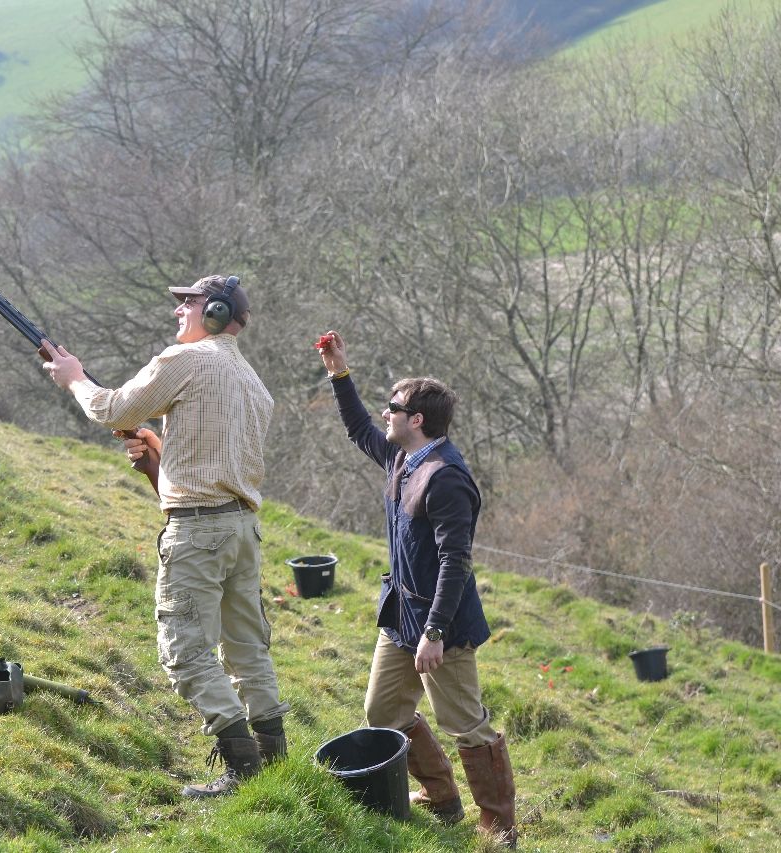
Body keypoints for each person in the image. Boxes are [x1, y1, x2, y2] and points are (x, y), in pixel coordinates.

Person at [41, 274, 289, 799]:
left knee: (184, 649)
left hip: (198, 532)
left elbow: (112, 410)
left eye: (189, 304)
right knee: (247, 647)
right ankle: (275, 760)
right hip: (242, 528)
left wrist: (74, 378)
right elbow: (213, 449)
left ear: (216, 312)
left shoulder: (184, 362)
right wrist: (163, 448)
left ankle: (243, 770)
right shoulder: (252, 382)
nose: (179, 311)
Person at [316, 331, 516, 847]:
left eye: (394, 407)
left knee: (466, 724)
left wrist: (435, 632)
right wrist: (340, 373)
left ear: (417, 419)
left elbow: (457, 562)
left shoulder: (446, 477)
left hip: (440, 625)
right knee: (383, 713)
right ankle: (442, 797)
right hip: (401, 616)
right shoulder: (404, 459)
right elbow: (360, 427)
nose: (386, 414)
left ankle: (500, 827)